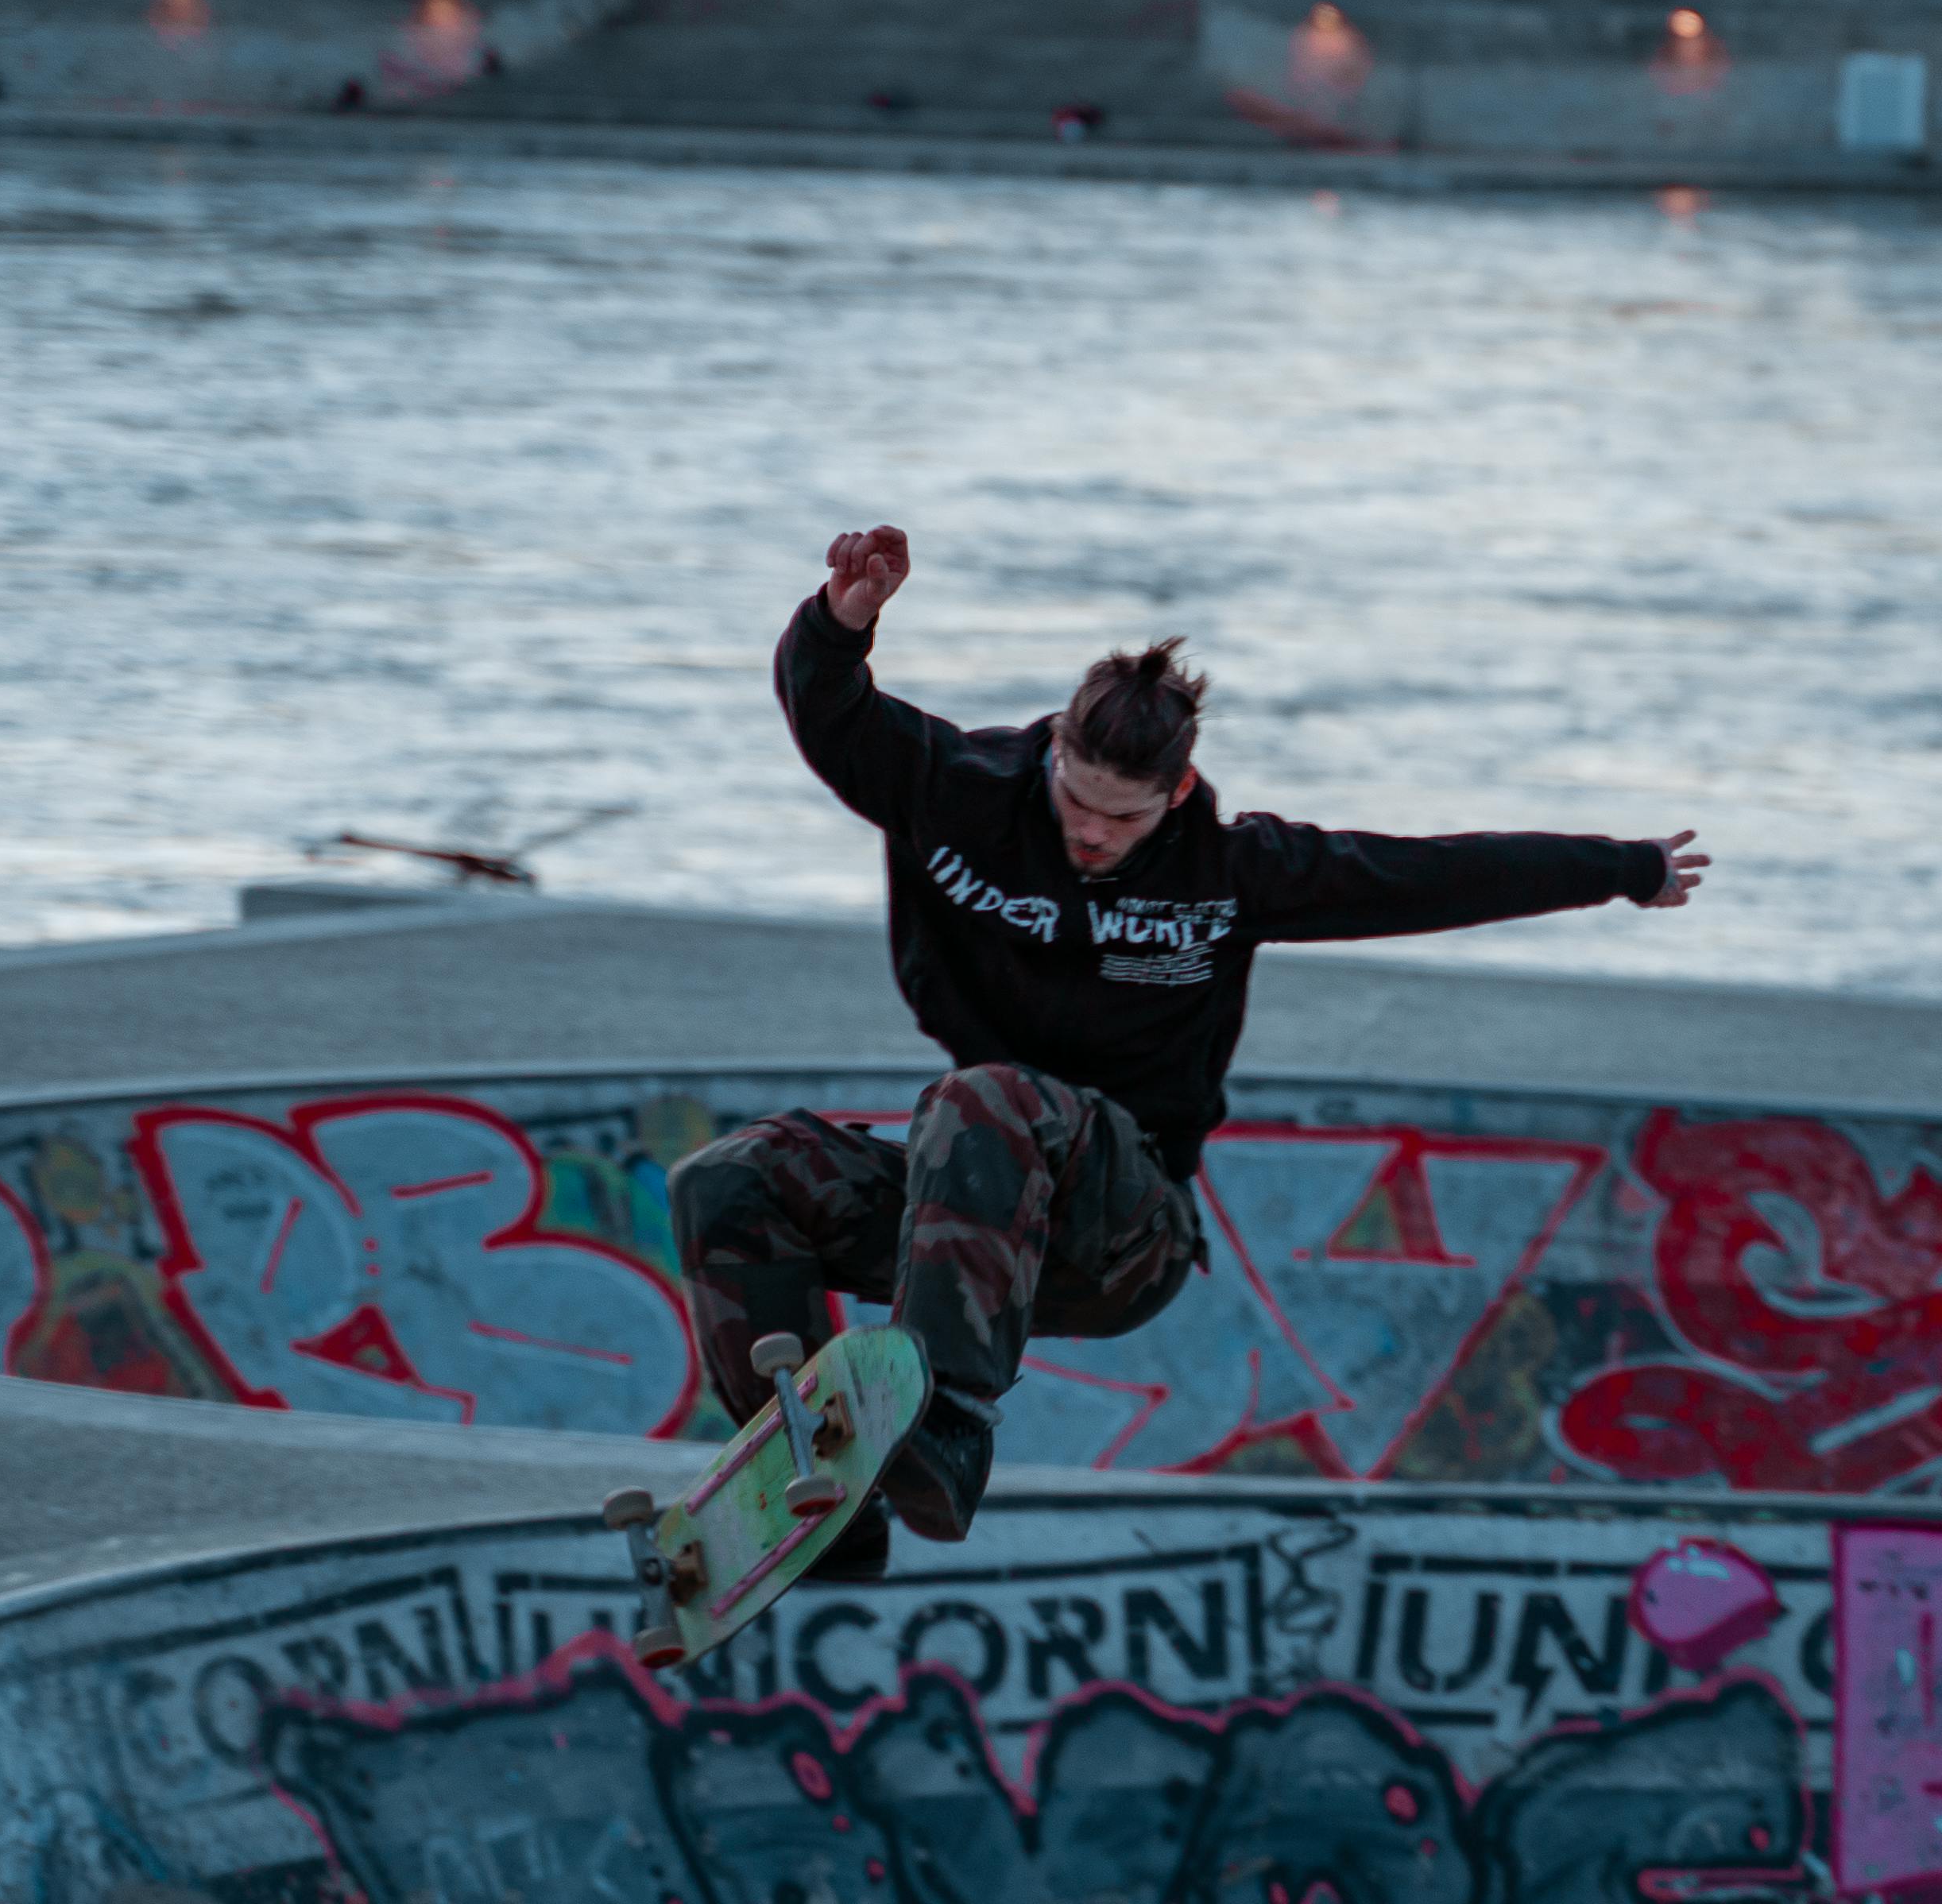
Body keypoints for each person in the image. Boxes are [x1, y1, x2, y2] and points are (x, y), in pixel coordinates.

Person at [678, 525, 1709, 1583]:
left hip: (1123, 1237)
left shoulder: (1232, 872)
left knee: (982, 1098)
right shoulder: (957, 791)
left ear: (1175, 794)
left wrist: (1624, 867)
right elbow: (832, 716)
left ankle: (946, 1422)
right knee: (733, 1180)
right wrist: (842, 621)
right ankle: (820, 1500)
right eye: (1076, 801)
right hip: (971, 1221)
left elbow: (1428, 875)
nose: (1090, 834)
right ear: (1053, 753)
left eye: (1121, 819)